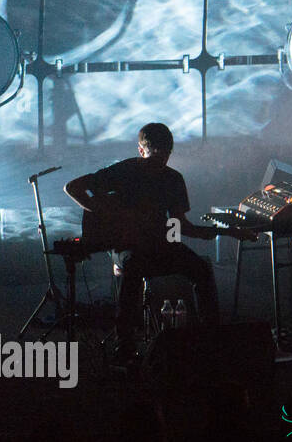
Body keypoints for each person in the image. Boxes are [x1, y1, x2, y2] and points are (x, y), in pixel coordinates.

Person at [64, 122, 248, 364]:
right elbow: (73, 187)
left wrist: (223, 232)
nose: (161, 161)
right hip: (127, 247)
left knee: (200, 270)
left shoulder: (171, 179)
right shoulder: (125, 171)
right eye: (160, 155)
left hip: (160, 246)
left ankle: (209, 338)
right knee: (134, 267)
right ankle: (126, 344)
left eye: (164, 156)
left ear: (142, 149)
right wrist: (106, 212)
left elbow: (178, 226)